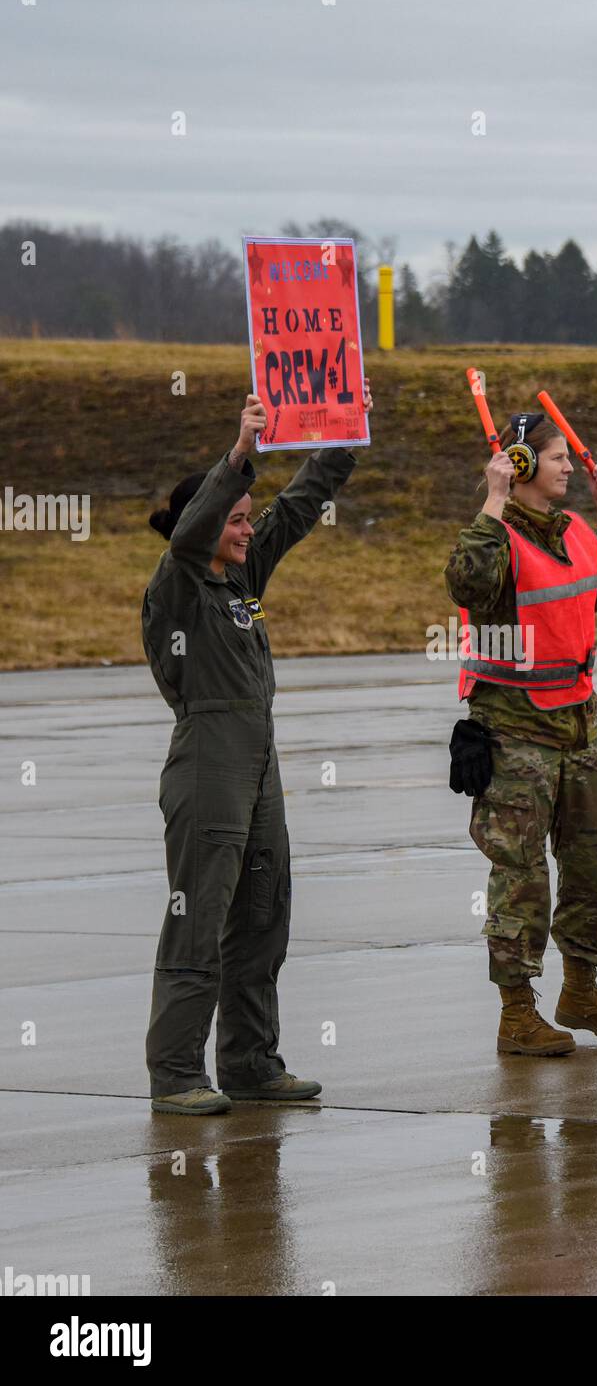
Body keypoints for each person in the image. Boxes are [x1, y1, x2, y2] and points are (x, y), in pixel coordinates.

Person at [142, 383, 372, 1113]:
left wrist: (346, 431)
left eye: (246, 520)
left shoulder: (242, 576)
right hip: (208, 763)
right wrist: (241, 451)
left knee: (262, 914)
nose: (246, 529)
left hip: (259, 764)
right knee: (200, 918)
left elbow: (299, 506)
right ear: (203, 521)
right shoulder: (177, 585)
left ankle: (249, 1062)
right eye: (234, 519)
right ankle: (176, 1072)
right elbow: (194, 531)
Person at [445, 411, 597, 1056]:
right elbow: (467, 582)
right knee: (522, 876)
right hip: (513, 733)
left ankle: (580, 989)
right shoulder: (497, 536)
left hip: (578, 727)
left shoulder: (577, 532)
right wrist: (494, 498)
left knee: (591, 865)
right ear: (525, 466)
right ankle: (516, 1013)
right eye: (559, 458)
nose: (570, 468)